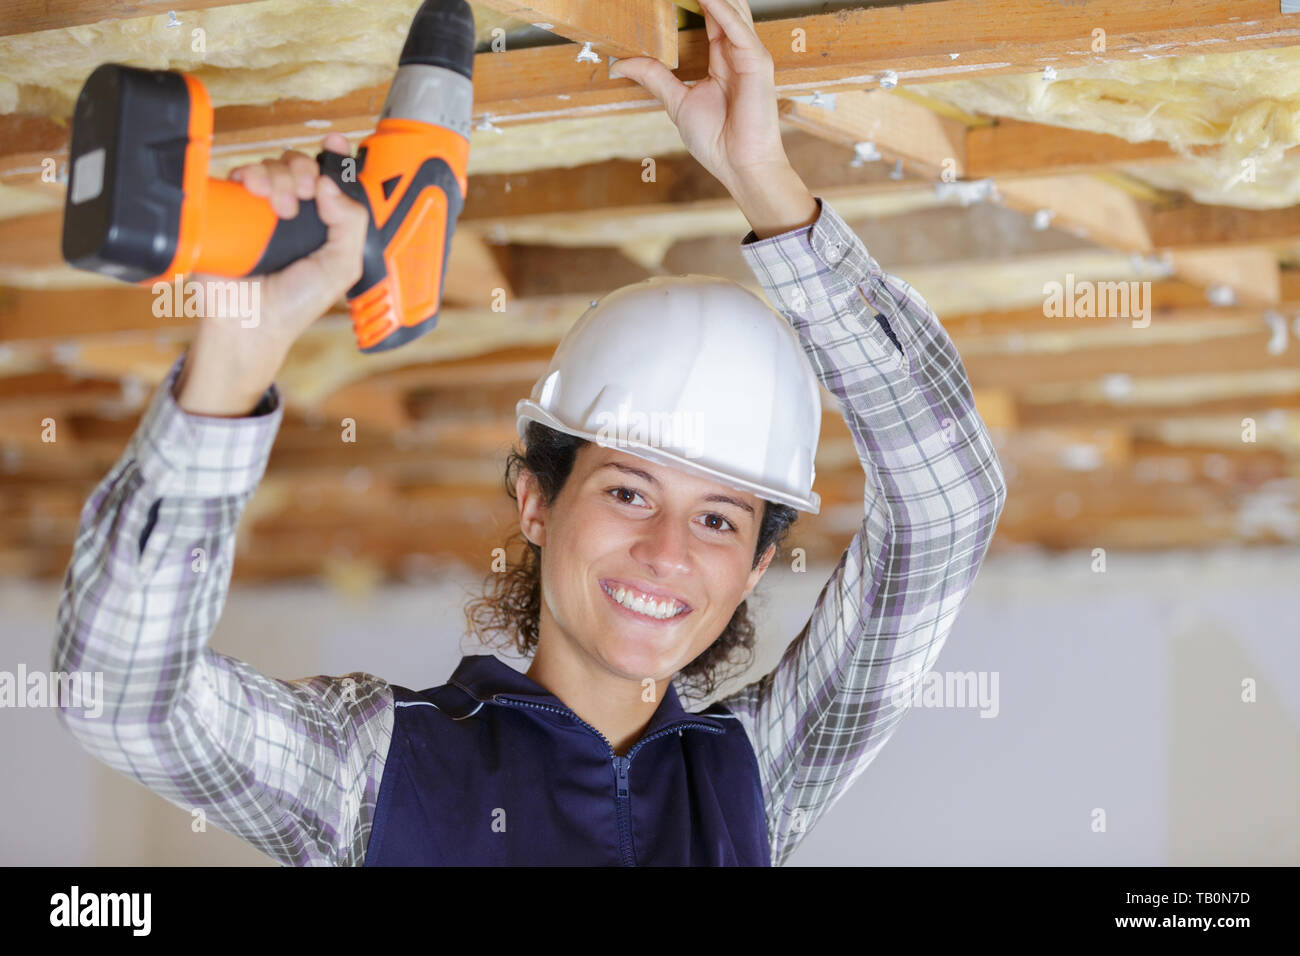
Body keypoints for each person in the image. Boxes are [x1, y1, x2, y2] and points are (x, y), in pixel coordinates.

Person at [53, 0, 1006, 866]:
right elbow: (122, 696)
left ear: (757, 566)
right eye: (628, 492)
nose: (666, 553)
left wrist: (765, 178)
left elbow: (947, 501)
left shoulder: (756, 779)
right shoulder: (379, 773)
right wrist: (239, 354)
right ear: (536, 500)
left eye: (719, 520)